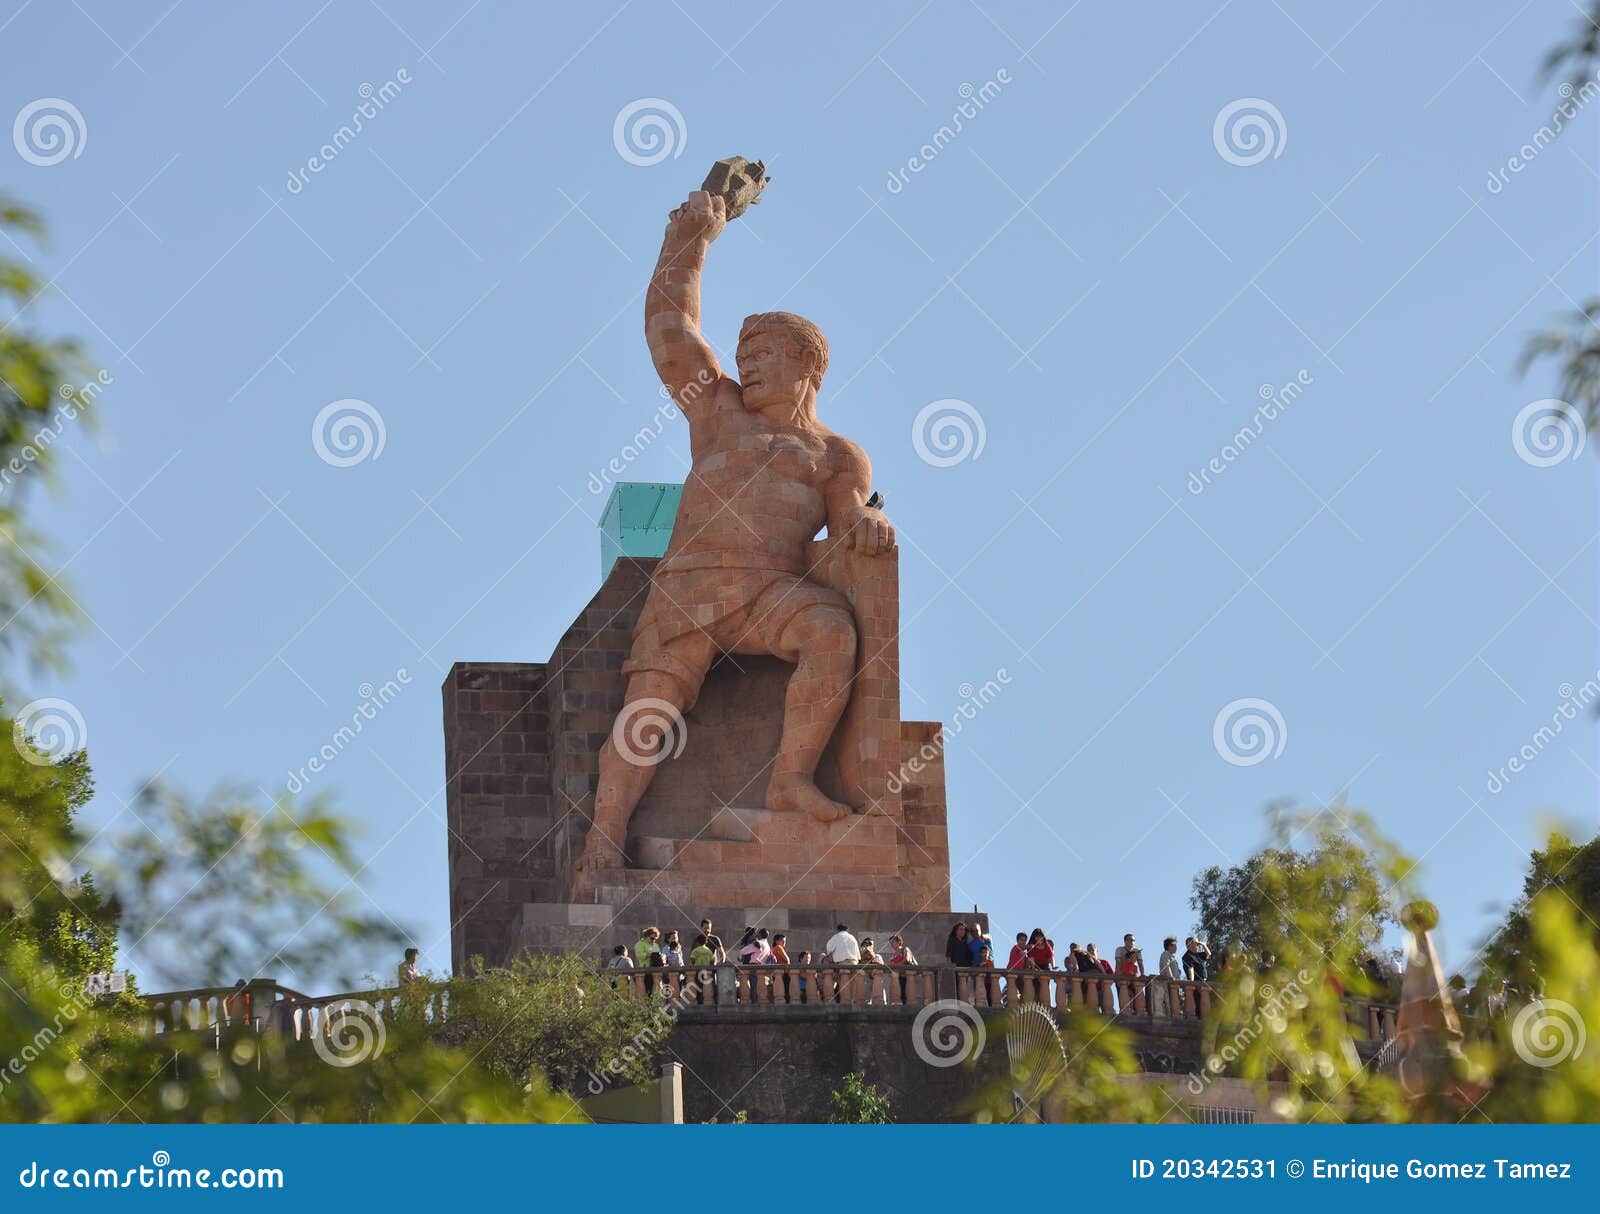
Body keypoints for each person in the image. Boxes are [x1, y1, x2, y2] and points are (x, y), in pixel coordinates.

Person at [1114, 934, 1145, 1015]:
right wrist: (1119, 975)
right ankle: (1125, 1012)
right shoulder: (1120, 950)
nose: (1132, 942)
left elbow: (1140, 963)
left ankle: (1136, 1012)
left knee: (1135, 994)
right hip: (1123, 976)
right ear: (1125, 941)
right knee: (1124, 994)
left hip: (1133, 976)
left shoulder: (1136, 950)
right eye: (1130, 940)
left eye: (1133, 940)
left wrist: (1142, 974)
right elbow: (1118, 963)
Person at [1154, 936, 1182, 1016]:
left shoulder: (1171, 956)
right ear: (1169, 946)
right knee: (1170, 1000)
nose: (1176, 947)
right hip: (1169, 983)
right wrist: (1171, 977)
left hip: (1175, 984)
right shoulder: (1165, 954)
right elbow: (1166, 966)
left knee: (1175, 999)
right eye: (1174, 945)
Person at [688, 934, 715, 1004]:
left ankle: (699, 1001)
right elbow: (712, 960)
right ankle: (706, 1000)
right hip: (707, 972)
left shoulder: (695, 950)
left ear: (697, 942)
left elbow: (692, 959)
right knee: (706, 986)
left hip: (698, 971)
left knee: (698, 986)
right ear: (706, 942)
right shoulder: (708, 950)